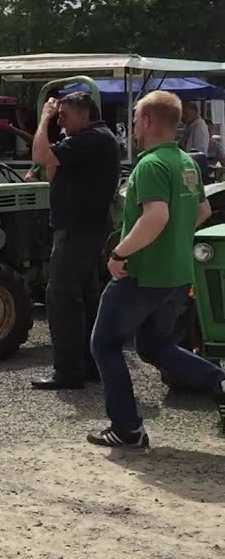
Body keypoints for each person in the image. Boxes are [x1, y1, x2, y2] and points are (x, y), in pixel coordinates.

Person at [88, 91, 225, 447]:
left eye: (135, 118)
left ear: (148, 121)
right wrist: (175, 241)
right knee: (153, 346)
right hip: (178, 274)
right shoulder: (186, 162)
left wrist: (119, 253)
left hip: (143, 274)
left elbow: (156, 216)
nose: (133, 125)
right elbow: (202, 212)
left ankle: (127, 429)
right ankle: (219, 382)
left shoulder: (149, 165)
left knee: (104, 344)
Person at [30, 91, 120, 390]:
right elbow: (52, 170)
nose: (61, 122)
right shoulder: (88, 141)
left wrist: (43, 120)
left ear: (85, 114)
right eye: (58, 117)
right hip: (83, 228)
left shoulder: (92, 138)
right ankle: (89, 363)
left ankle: (68, 371)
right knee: (85, 297)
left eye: (65, 116)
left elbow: (41, 157)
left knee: (62, 299)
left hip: (78, 229)